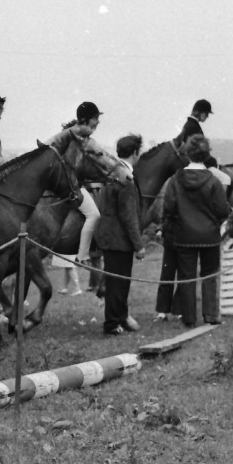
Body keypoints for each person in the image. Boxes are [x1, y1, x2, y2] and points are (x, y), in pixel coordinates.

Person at [152, 134, 229, 326]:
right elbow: (222, 210)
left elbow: (168, 207)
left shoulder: (176, 180)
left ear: (187, 153)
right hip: (210, 235)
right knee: (210, 275)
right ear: (206, 154)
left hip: (183, 235)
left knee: (186, 277)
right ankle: (211, 315)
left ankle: (189, 318)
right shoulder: (214, 181)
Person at [45, 102, 114, 292]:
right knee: (94, 215)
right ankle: (83, 254)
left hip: (72, 185)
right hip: (69, 186)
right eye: (96, 118)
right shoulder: (76, 136)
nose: (98, 122)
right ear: (87, 119)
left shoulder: (81, 136)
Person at [98, 135, 147, 336]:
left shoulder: (111, 172)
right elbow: (129, 216)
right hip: (119, 239)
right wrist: (139, 245)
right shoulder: (126, 178)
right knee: (118, 282)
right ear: (135, 153)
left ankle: (121, 317)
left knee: (119, 281)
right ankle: (111, 324)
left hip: (110, 236)